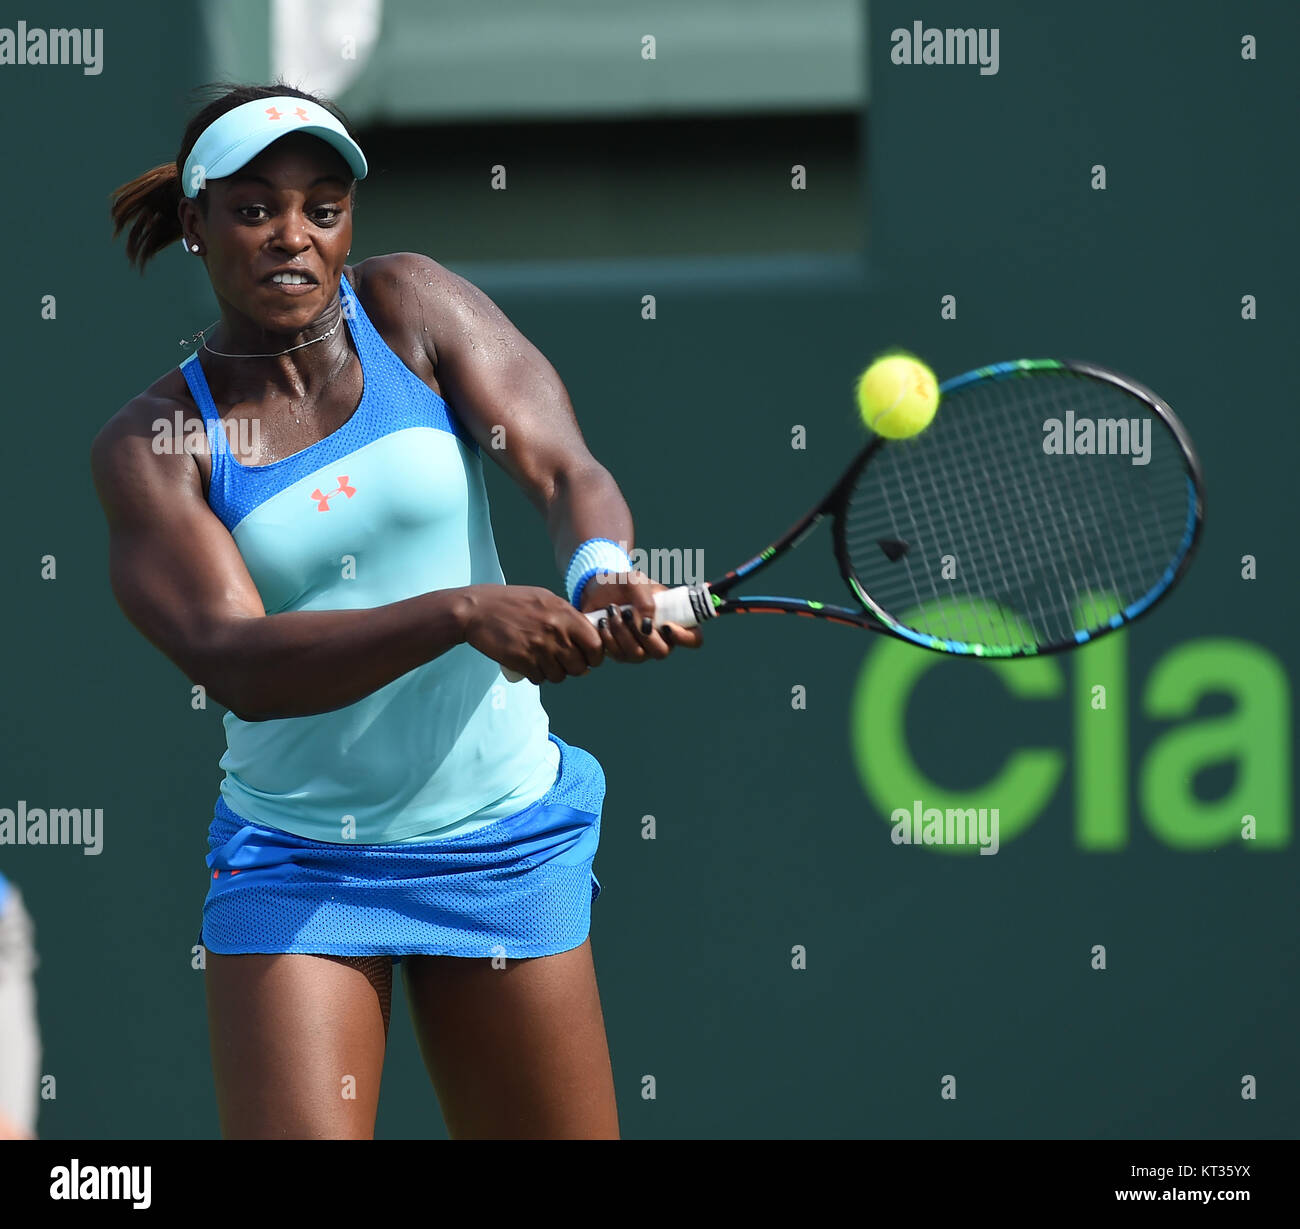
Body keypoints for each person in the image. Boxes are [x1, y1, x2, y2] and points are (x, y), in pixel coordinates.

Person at [94, 81, 700, 1140]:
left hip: (502, 837)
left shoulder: (412, 308)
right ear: (194, 224)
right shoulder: (154, 445)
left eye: (323, 207)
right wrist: (459, 612)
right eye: (254, 209)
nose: (294, 236)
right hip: (300, 861)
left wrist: (601, 570)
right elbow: (241, 662)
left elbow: (563, 470)